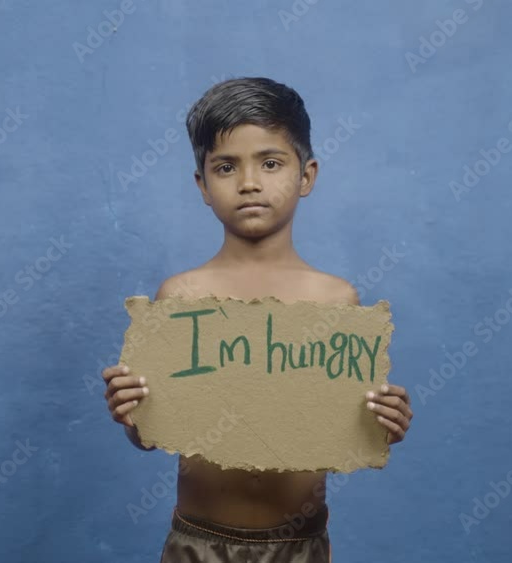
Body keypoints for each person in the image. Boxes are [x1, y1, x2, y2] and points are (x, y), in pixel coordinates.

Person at [101, 77, 413, 562]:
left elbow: (348, 427)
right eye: (226, 167)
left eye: (270, 163)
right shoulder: (181, 297)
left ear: (306, 176)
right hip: (197, 543)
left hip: (299, 545)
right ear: (203, 185)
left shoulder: (335, 300)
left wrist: (385, 421)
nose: (249, 182)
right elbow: (150, 434)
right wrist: (130, 412)